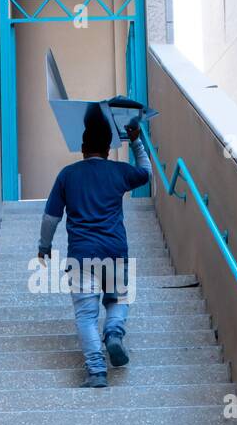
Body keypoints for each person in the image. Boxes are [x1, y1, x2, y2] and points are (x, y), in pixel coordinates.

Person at [37, 107, 152, 387]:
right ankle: (113, 332)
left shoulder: (67, 175)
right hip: (115, 252)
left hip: (82, 255)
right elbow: (146, 173)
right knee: (118, 300)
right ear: (109, 149)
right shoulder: (119, 171)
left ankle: (97, 371)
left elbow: (51, 217)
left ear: (82, 148)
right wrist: (136, 140)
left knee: (86, 316)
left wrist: (44, 247)